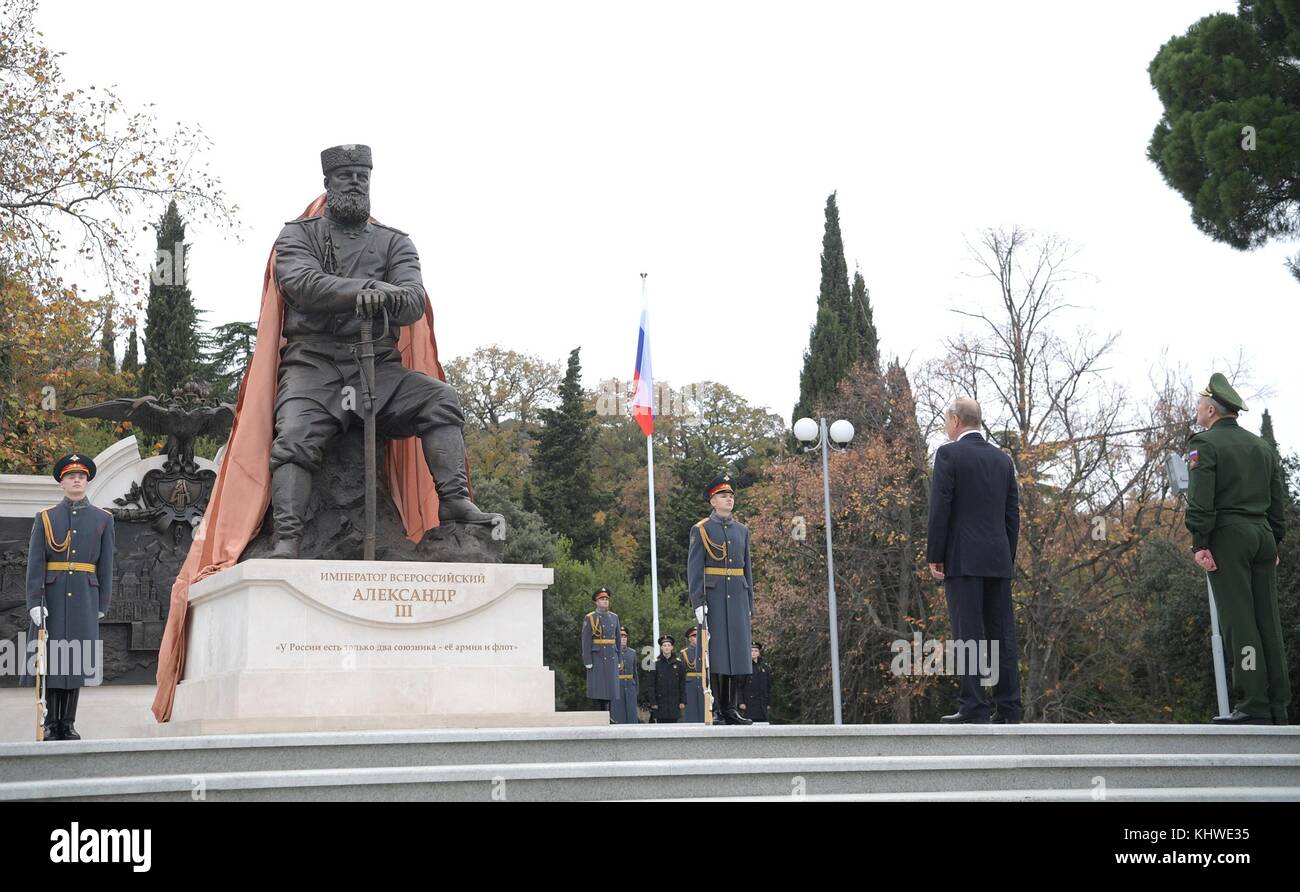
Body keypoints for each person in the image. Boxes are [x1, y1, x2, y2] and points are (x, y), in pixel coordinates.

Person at [267, 143, 493, 558]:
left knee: (440, 399)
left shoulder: (394, 243)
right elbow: (302, 284)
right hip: (313, 364)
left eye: (362, 176)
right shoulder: (297, 234)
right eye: (345, 176)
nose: (355, 182)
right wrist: (368, 290)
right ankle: (288, 538)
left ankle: (453, 498)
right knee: (295, 437)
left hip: (377, 369)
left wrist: (388, 297)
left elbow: (412, 301)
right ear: (327, 183)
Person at [1186, 373, 1289, 725]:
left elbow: (1200, 500)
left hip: (1229, 537)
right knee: (1267, 622)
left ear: (1212, 409)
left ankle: (1253, 705)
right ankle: (1278, 705)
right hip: (1261, 535)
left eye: (1200, 404)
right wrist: (1275, 539)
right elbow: (1278, 500)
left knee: (1239, 622)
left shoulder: (1205, 444)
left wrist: (1200, 541)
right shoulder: (1262, 446)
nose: (1197, 409)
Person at [926, 399, 1022, 724]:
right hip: (998, 560)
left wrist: (935, 556)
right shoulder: (1002, 460)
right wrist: (1006, 557)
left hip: (963, 558)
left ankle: (975, 706)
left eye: (945, 420)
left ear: (955, 420)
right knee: (1002, 635)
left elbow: (941, 508)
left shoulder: (948, 454)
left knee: (968, 634)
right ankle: (1009, 708)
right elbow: (1012, 515)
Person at [25, 453, 114, 740]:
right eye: (71, 476)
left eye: (81, 476)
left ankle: (68, 722)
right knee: (51, 660)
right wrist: (34, 603)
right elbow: (35, 563)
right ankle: (50, 724)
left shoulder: (103, 519)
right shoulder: (46, 518)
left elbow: (106, 565)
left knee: (75, 660)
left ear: (87, 481)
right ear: (61, 482)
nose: (77, 480)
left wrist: (102, 604)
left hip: (84, 599)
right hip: (51, 597)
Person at [687, 472, 754, 725]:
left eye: (730, 496)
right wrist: (698, 602)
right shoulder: (701, 529)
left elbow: (747, 569)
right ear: (712, 501)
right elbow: (694, 570)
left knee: (737, 655)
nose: (729, 500)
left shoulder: (742, 531)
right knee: (715, 654)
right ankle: (714, 708)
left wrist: (750, 601)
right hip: (714, 599)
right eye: (723, 496)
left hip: (737, 596)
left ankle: (731, 708)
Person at [581, 587, 621, 716]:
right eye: (602, 599)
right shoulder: (590, 618)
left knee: (610, 688)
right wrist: (587, 660)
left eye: (606, 599)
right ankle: (599, 715)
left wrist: (619, 658)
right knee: (599, 688)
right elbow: (586, 641)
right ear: (596, 602)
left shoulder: (614, 617)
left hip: (611, 655)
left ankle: (609, 715)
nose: (605, 601)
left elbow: (618, 641)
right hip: (597, 655)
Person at [648, 635, 686, 723]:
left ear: (672, 647)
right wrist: (653, 702)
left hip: (674, 703)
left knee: (674, 729)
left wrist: (683, 701)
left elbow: (682, 683)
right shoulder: (654, 663)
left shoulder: (679, 663)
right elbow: (651, 685)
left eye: (669, 645)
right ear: (661, 647)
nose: (667, 647)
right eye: (664, 645)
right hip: (660, 704)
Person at [738, 642, 772, 723]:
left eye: (756, 651)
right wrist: (740, 702)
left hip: (762, 704)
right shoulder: (745, 667)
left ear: (759, 653)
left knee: (763, 725)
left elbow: (768, 686)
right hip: (749, 704)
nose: (753, 653)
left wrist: (769, 702)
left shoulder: (764, 667)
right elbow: (739, 686)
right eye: (751, 650)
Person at [612, 628, 640, 724]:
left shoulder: (632, 652)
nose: (623, 638)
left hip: (630, 686)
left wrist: (636, 688)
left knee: (631, 715)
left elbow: (635, 673)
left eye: (625, 636)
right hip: (617, 687)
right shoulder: (613, 652)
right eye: (621, 636)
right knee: (618, 715)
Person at [680, 627, 707, 723]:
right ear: (689, 638)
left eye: (698, 636)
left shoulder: (705, 650)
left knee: (704, 708)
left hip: (703, 681)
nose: (697, 638)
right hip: (690, 682)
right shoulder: (684, 653)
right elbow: (682, 672)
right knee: (691, 709)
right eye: (694, 636)